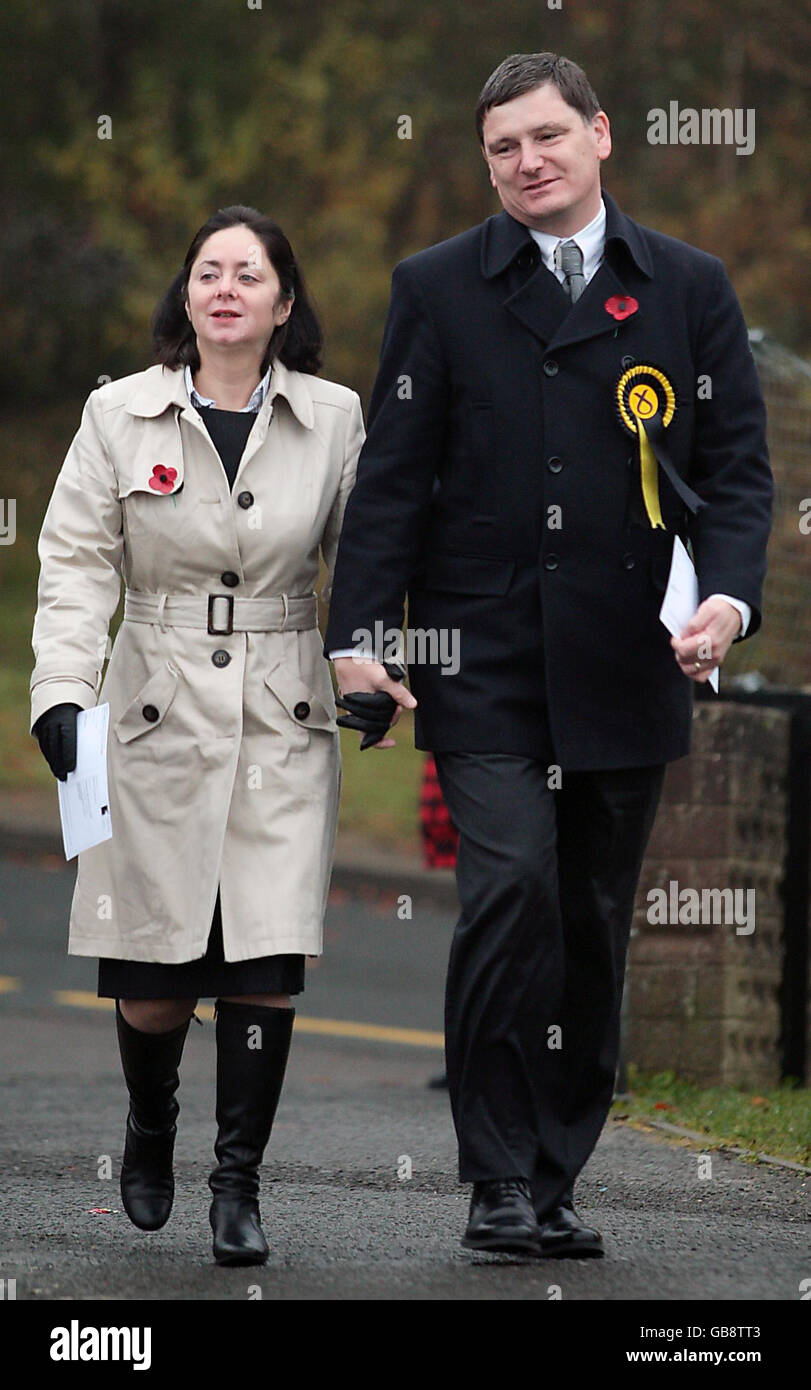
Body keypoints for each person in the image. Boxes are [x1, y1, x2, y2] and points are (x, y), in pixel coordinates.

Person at [324, 53, 773, 1256]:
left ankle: (556, 1171)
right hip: (483, 660)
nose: (526, 163)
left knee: (589, 919)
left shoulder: (687, 287)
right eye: (501, 149)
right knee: (510, 889)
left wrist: (727, 599)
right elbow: (392, 485)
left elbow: (734, 474)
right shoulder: (437, 287)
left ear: (600, 137)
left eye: (545, 139)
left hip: (630, 659)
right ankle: (492, 1181)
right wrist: (357, 639)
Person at [30, 205, 363, 1266]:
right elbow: (77, 561)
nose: (225, 287)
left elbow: (368, 553)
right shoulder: (117, 415)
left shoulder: (336, 417)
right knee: (156, 968)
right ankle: (151, 1121)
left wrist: (368, 657)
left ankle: (238, 1185)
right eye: (207, 271)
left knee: (265, 951)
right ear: (186, 295)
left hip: (282, 703)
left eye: (248, 273)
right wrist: (58, 689)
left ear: (283, 301)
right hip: (151, 703)